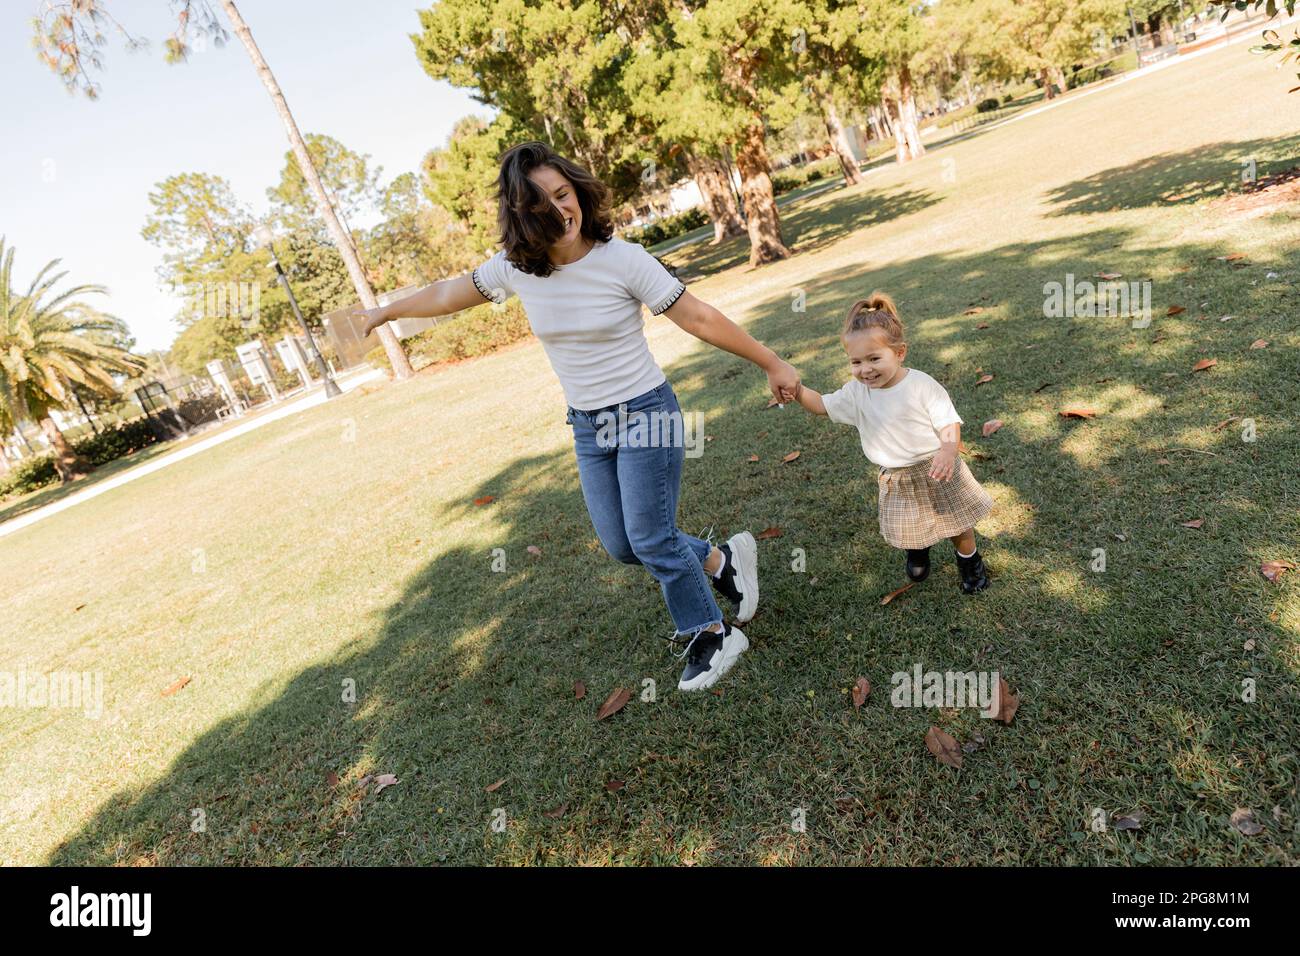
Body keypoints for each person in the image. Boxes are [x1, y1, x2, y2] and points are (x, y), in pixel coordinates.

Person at [354, 142, 800, 691]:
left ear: (578, 191)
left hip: (646, 414)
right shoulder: (519, 269)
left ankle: (712, 633)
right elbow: (450, 293)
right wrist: (388, 311)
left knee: (650, 535)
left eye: (563, 194)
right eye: (540, 203)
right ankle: (720, 561)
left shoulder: (622, 259)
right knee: (622, 544)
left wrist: (771, 361)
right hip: (589, 426)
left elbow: (699, 317)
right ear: (521, 216)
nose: (559, 211)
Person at [782, 292, 993, 593]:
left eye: (874, 359)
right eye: (856, 361)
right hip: (897, 476)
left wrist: (948, 449)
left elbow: (948, 421)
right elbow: (821, 405)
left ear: (900, 352)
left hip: (937, 467)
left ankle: (970, 563)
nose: (865, 369)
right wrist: (797, 390)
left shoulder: (920, 385)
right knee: (911, 526)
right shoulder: (856, 393)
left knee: (958, 524)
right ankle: (917, 547)